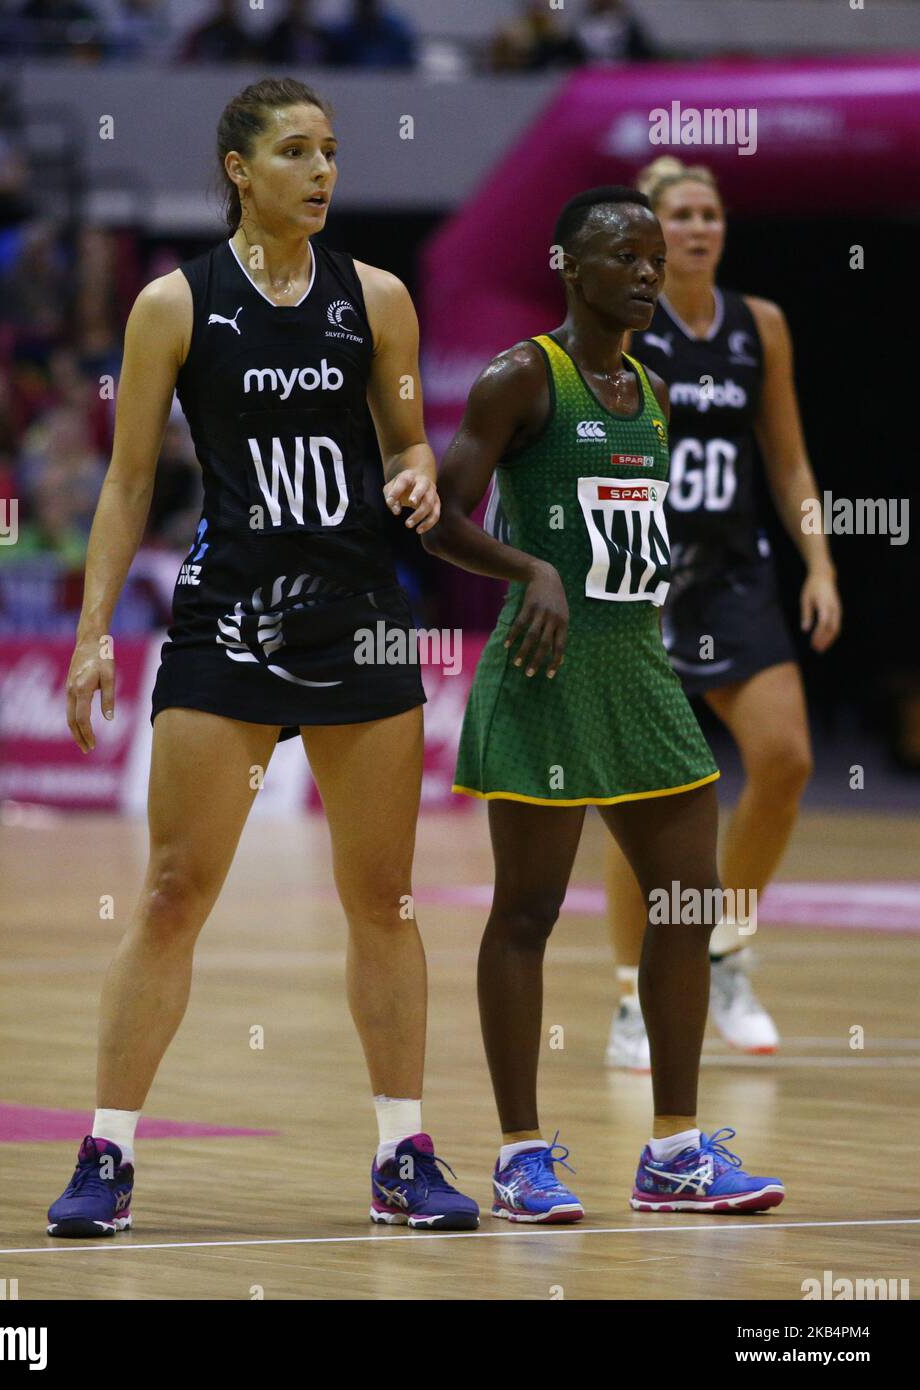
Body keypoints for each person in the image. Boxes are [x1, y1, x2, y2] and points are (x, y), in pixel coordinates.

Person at [46, 77, 479, 1237]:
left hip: (357, 619)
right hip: (227, 618)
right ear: (240, 169)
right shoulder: (171, 306)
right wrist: (93, 634)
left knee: (381, 897)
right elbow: (129, 481)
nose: (323, 171)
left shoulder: (378, 299)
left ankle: (402, 1155)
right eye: (296, 151)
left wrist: (421, 475)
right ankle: (106, 1154)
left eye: (331, 152)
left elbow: (409, 441)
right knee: (175, 891)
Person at [423, 186, 784, 1218]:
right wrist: (528, 567)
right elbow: (437, 517)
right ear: (565, 268)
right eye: (619, 253)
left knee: (684, 903)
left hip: (638, 670)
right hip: (542, 676)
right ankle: (518, 1154)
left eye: (650, 254)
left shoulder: (655, 389)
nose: (644, 268)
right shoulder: (518, 379)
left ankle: (674, 1151)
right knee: (528, 913)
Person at [603, 157, 841, 1071]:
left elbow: (788, 460)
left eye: (711, 213)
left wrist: (819, 560)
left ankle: (725, 945)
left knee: (785, 760)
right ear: (653, 232)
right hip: (644, 576)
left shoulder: (760, 325)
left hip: (736, 575)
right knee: (642, 797)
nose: (699, 227)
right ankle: (632, 996)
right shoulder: (622, 322)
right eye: (682, 215)